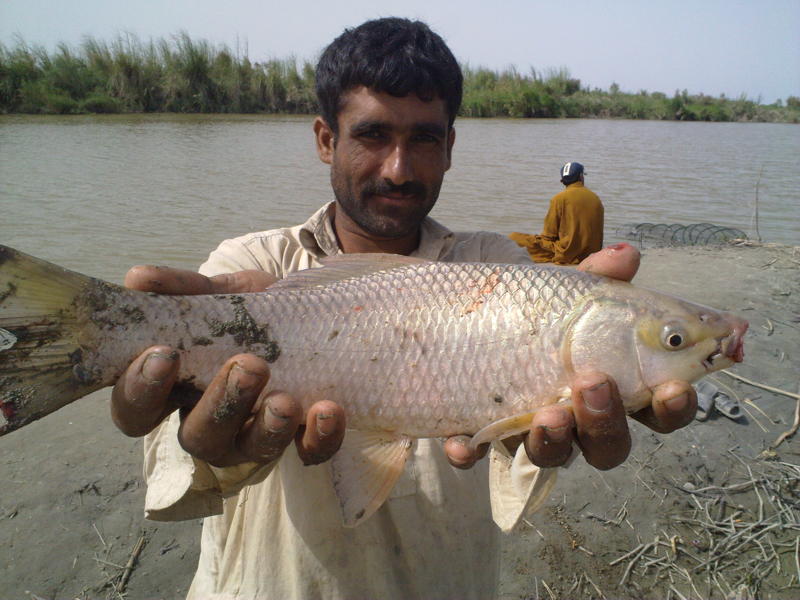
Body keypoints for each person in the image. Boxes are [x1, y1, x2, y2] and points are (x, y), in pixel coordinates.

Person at [110, 18, 697, 599]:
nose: (398, 168)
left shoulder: (498, 267)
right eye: (371, 135)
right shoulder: (251, 265)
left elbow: (527, 448)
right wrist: (199, 436)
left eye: (423, 139)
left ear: (450, 148)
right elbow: (173, 452)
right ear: (325, 140)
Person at [510, 161, 604, 264]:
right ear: (581, 177)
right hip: (591, 253)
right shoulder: (596, 199)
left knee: (514, 237)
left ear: (563, 181)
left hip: (567, 254)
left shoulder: (559, 199)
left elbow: (548, 235)